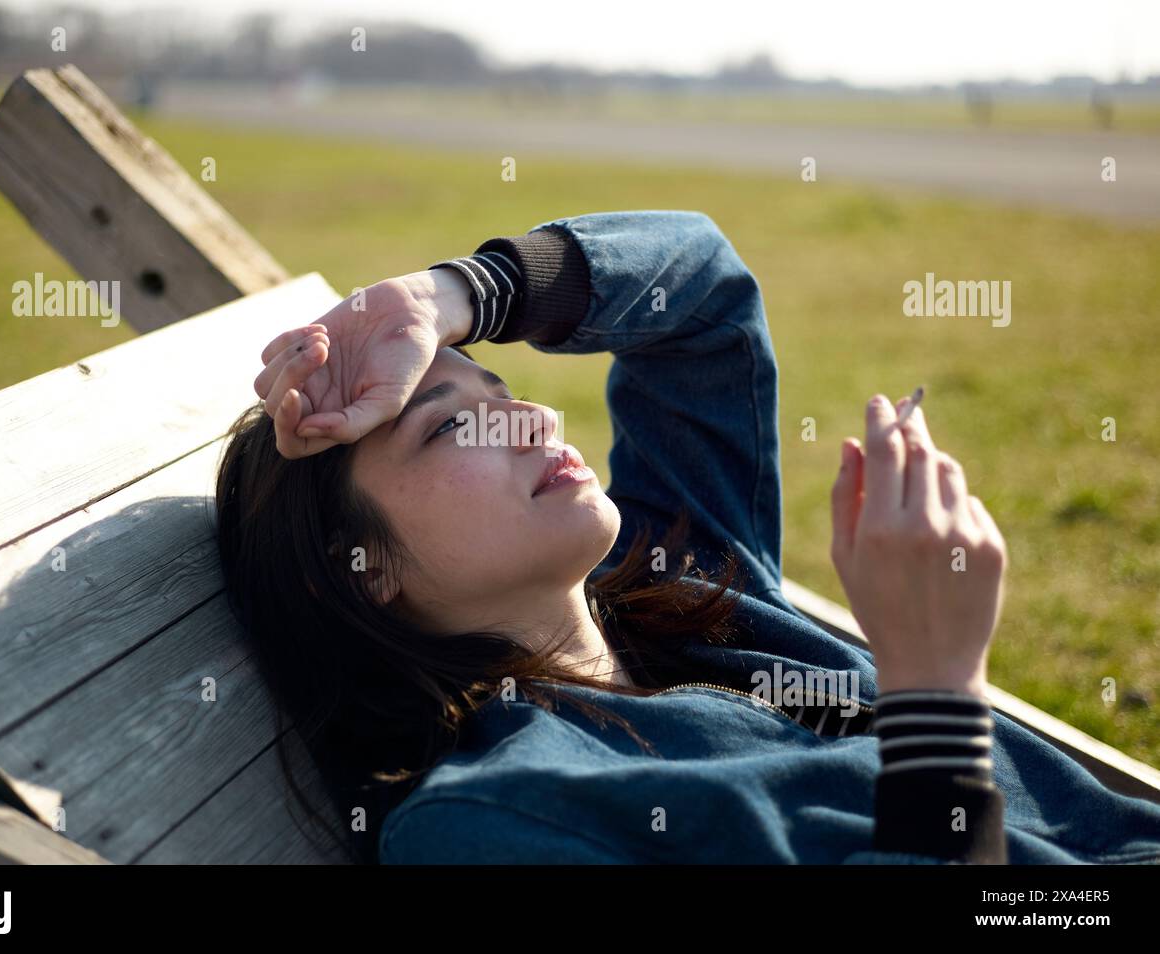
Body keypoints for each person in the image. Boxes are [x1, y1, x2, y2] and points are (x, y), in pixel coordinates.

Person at [219, 209, 1160, 864]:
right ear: (364, 569)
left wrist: (459, 295)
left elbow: (699, 294)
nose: (537, 421)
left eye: (500, 393)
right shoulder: (492, 820)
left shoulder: (685, 583)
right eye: (454, 424)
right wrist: (937, 700)